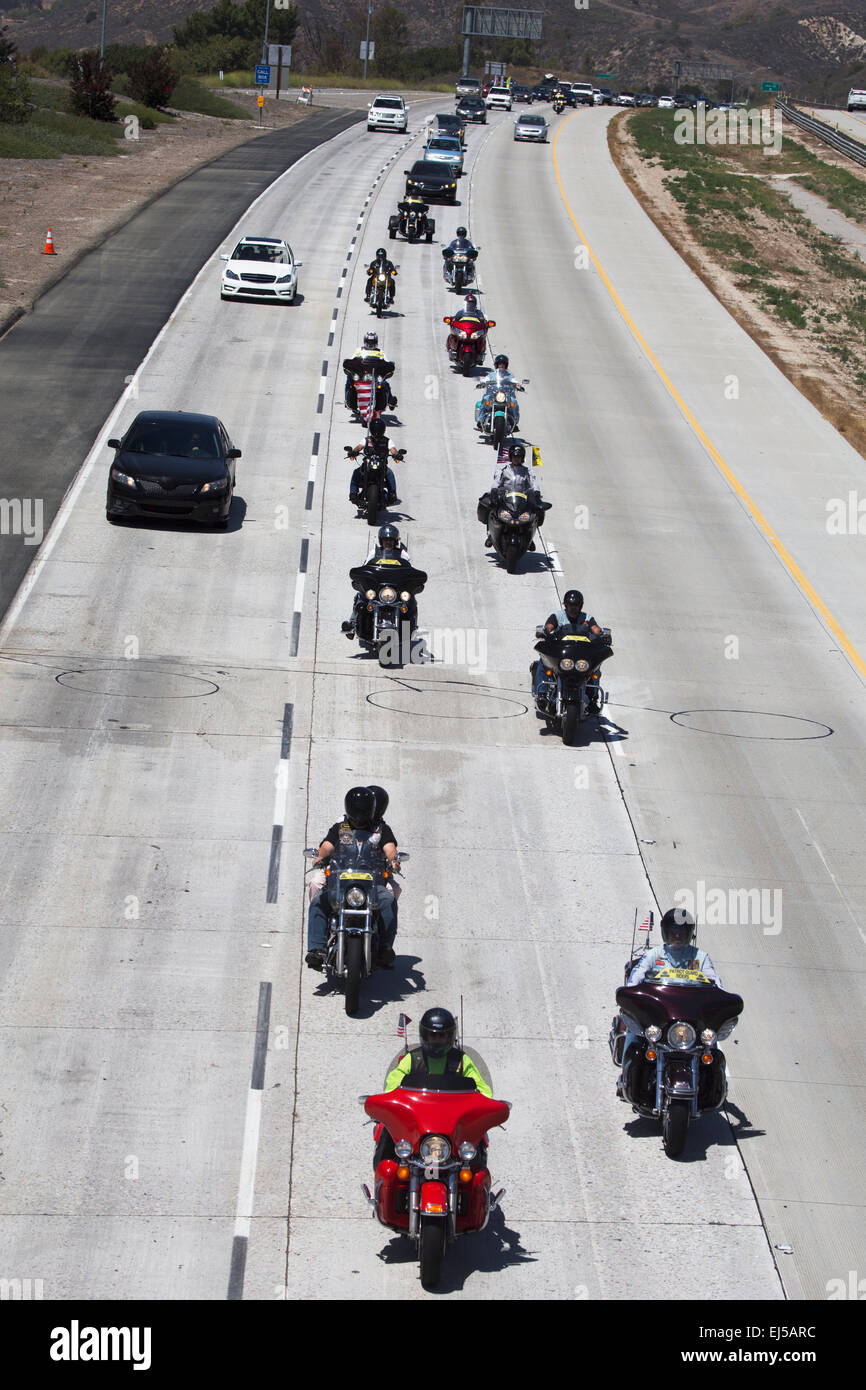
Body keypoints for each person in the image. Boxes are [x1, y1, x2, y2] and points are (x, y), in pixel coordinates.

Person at [616, 909, 722, 1096]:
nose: (677, 935)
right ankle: (625, 1076)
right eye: (673, 930)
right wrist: (631, 994)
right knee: (635, 1030)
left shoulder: (700, 957)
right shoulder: (654, 955)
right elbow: (635, 979)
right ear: (665, 931)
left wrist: (720, 998)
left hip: (689, 1016)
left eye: (682, 931)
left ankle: (711, 1089)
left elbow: (715, 983)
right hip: (659, 1016)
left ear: (690, 933)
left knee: (710, 1043)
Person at [373, 1008, 492, 1171]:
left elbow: (482, 1089)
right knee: (387, 1130)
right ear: (425, 1035)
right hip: (417, 1121)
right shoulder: (412, 1059)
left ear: (449, 1037)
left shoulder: (461, 1061)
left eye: (441, 1036)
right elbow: (392, 1084)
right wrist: (389, 1102)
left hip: (452, 1121)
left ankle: (478, 1188)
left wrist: (485, 1103)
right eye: (433, 1035)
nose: (437, 1040)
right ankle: (383, 1184)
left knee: (476, 1148)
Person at [305, 786, 402, 972]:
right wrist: (320, 857)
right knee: (318, 902)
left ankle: (385, 947)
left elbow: (390, 849)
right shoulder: (342, 828)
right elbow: (327, 845)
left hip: (372, 882)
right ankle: (317, 949)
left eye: (363, 809)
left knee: (388, 900)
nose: (359, 814)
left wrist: (393, 862)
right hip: (341, 880)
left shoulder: (380, 829)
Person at [531, 588, 605, 710]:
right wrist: (544, 631)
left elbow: (596, 629)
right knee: (543, 663)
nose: (573, 608)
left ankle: (593, 699)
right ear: (565, 605)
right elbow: (549, 626)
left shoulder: (587, 618)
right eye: (570, 605)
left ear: (580, 606)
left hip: (581, 654)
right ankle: (542, 695)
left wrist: (602, 635)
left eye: (576, 605)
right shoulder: (557, 616)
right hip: (562, 653)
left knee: (595, 669)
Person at [342, 526, 416, 640]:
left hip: (395, 589)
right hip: (377, 588)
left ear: (395, 541)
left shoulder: (403, 554)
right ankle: (352, 624)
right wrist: (360, 574)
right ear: (381, 541)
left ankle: (412, 627)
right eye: (385, 540)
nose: (388, 543)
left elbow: (410, 571)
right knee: (362, 600)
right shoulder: (374, 553)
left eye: (391, 540)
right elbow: (365, 567)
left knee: (410, 602)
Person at [482, 443, 544, 548]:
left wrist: (536, 492)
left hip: (521, 499)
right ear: (511, 457)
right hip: (506, 499)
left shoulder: (527, 471)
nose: (516, 459)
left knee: (536, 512)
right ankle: (490, 535)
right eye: (515, 456)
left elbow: (533, 482)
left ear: (522, 458)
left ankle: (529, 538)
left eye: (519, 457)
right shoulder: (504, 469)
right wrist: (494, 490)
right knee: (491, 508)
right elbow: (497, 480)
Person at [347, 418, 400, 508]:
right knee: (356, 473)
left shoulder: (387, 441)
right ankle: (353, 493)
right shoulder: (366, 440)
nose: (377, 433)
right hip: (367, 464)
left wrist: (397, 455)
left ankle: (392, 493)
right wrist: (353, 452)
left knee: (390, 474)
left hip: (382, 466)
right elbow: (359, 447)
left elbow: (393, 450)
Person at [344, 330, 397, 411]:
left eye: (372, 342)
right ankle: (347, 400)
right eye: (369, 342)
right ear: (365, 341)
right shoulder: (359, 350)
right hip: (361, 375)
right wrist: (349, 363)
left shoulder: (380, 352)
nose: (370, 344)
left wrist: (389, 365)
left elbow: (386, 361)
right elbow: (352, 359)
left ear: (376, 342)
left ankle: (390, 401)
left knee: (384, 383)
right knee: (349, 379)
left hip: (374, 375)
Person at [475, 354, 523, 430]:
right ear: (496, 365)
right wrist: (482, 383)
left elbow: (514, 381)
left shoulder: (509, 376)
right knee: (484, 400)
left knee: (514, 403)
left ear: (506, 365)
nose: (501, 366)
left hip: (506, 396)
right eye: (500, 364)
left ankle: (514, 422)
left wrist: (519, 386)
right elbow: (485, 379)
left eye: (503, 364)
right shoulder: (492, 375)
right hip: (493, 395)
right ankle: (480, 420)